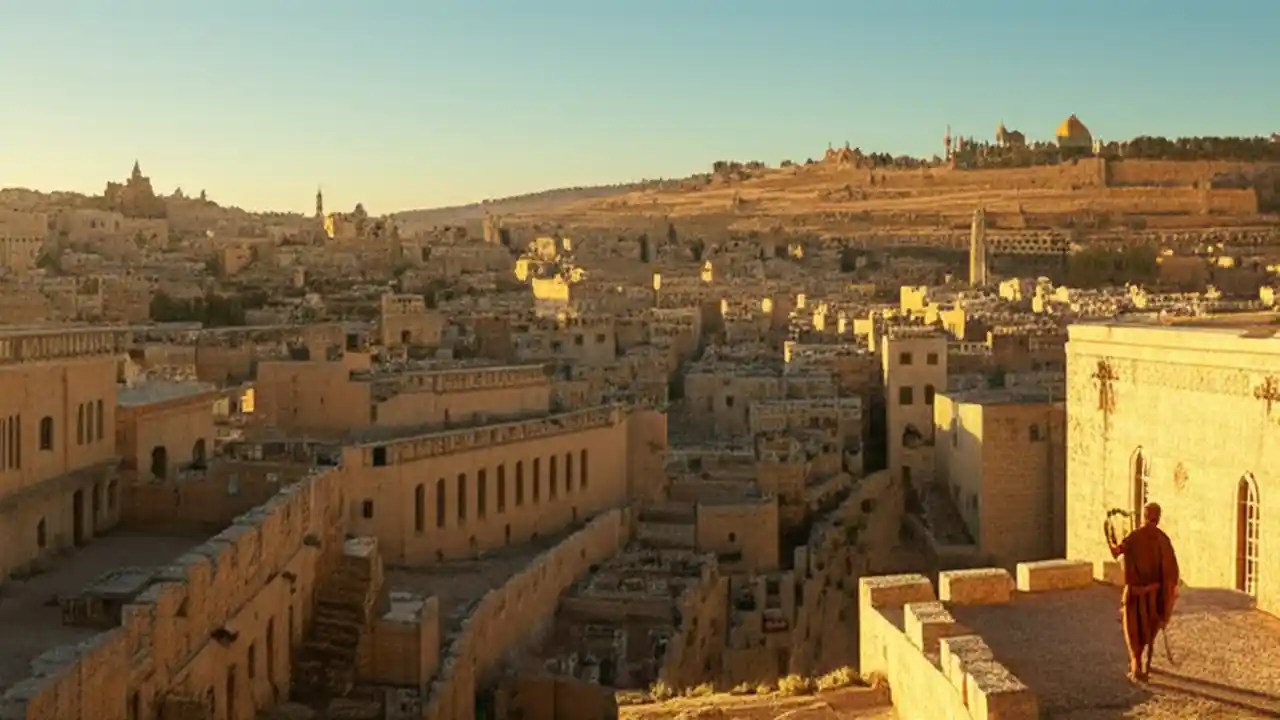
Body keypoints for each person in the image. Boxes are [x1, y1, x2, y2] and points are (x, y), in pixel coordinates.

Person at [1109, 502, 1180, 682]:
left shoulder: (1134, 537)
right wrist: (1167, 601)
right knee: (1147, 632)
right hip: (1154, 597)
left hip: (1135, 594)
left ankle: (1136, 664)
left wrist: (1110, 537)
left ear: (1145, 516)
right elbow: (1172, 573)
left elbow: (1117, 552)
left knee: (1134, 633)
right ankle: (1140, 666)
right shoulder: (1163, 540)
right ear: (1158, 517)